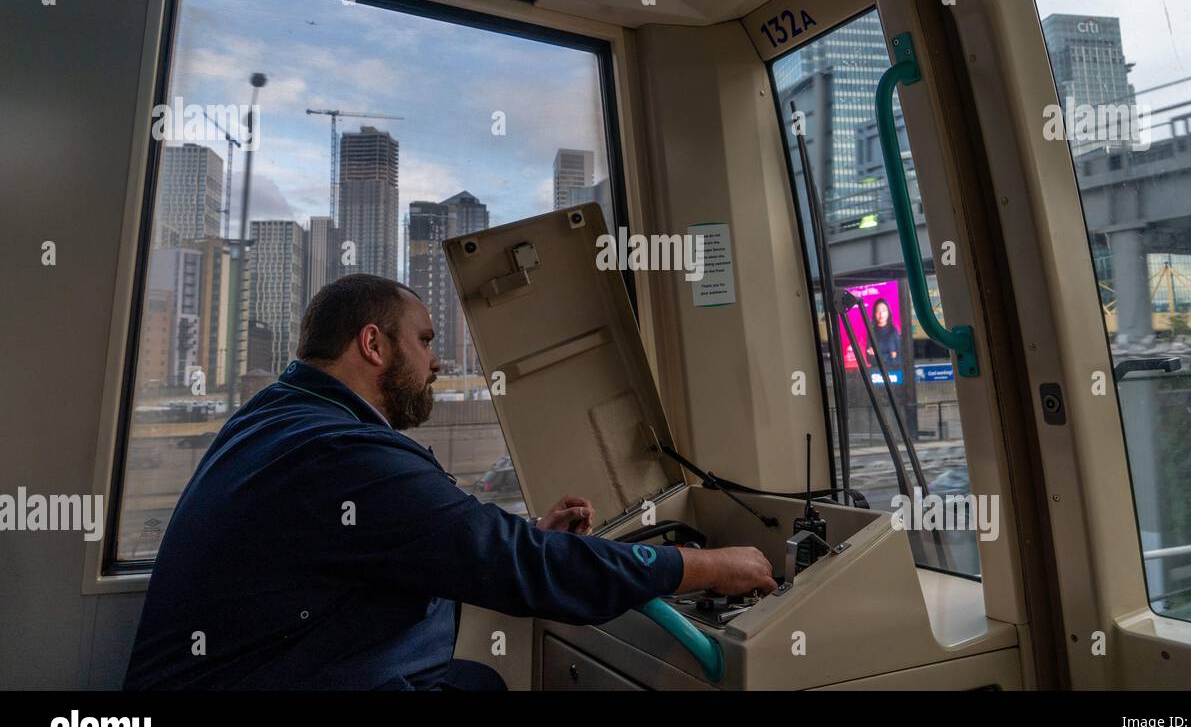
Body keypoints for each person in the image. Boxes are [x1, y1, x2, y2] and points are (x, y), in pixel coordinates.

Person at [124, 274, 773, 690]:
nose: (440, 361)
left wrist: (530, 538)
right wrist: (705, 565)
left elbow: (448, 543)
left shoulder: (283, 416)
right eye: (427, 340)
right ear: (374, 344)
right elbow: (515, 562)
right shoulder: (340, 451)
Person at [865, 298, 901, 371]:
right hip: (876, 373)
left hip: (894, 372)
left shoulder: (894, 331)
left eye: (884, 310)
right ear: (874, 313)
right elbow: (870, 359)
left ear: (888, 312)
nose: (881, 314)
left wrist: (877, 355)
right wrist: (890, 355)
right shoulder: (871, 333)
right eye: (878, 311)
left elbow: (899, 358)